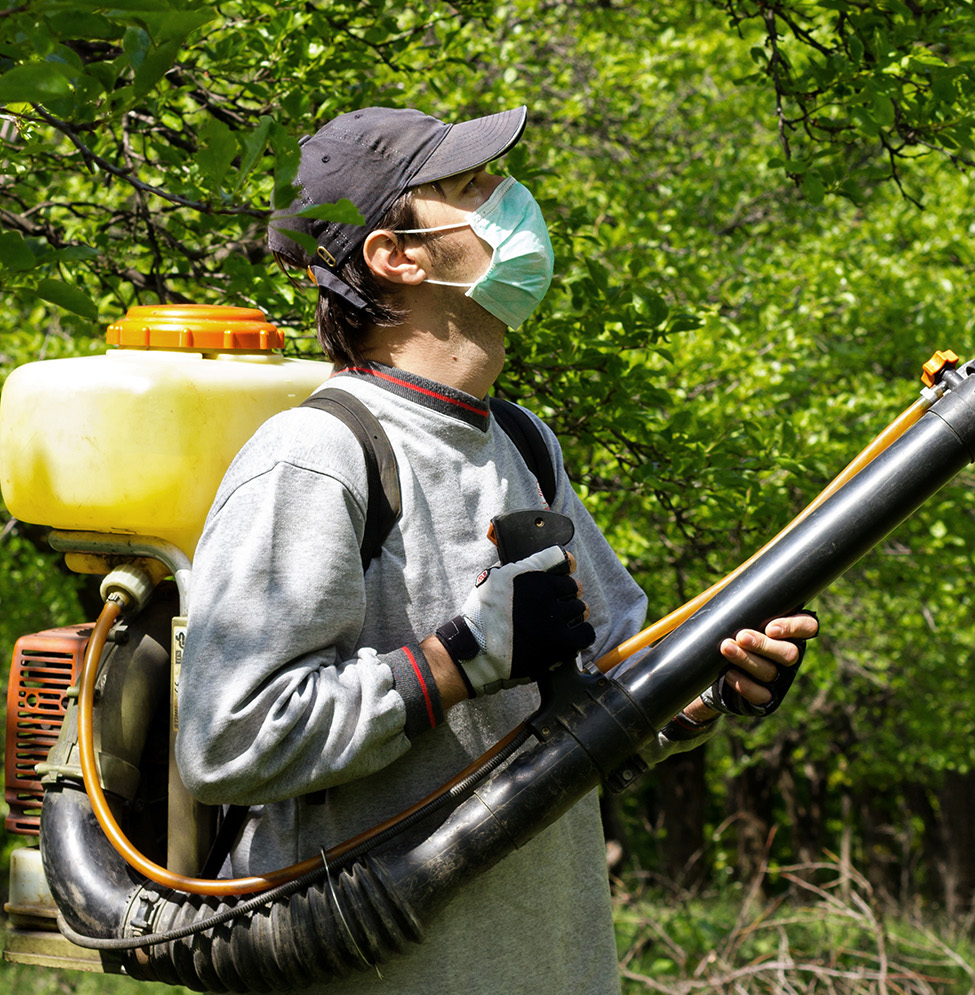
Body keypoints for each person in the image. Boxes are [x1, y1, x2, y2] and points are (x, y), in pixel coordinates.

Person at [177, 105, 818, 994]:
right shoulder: (315, 456)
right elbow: (229, 740)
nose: (511, 201)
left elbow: (608, 697)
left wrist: (709, 687)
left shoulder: (523, 442)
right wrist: (454, 660)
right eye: (471, 188)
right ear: (396, 256)